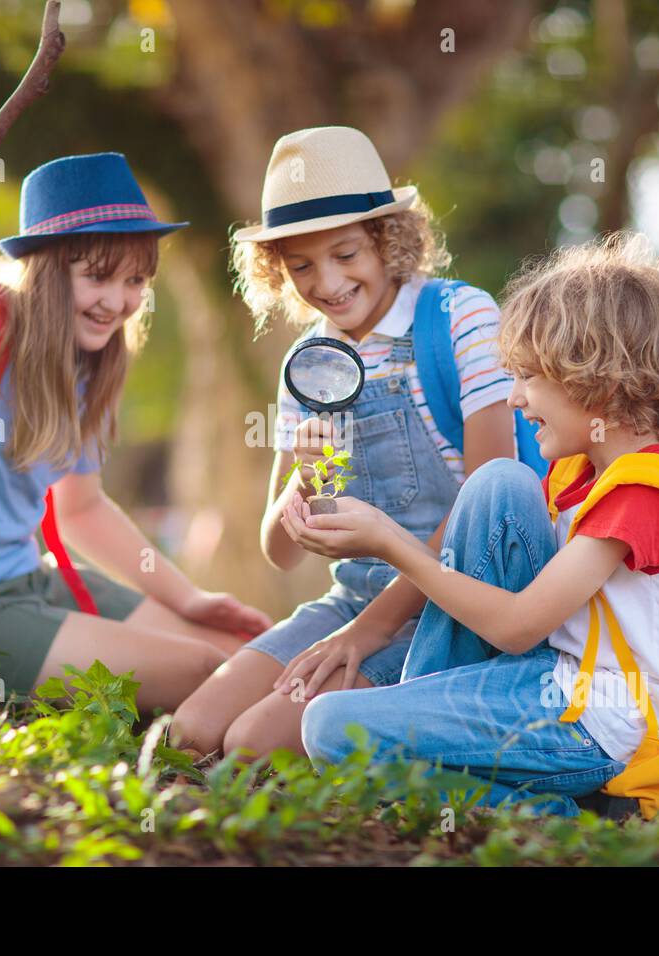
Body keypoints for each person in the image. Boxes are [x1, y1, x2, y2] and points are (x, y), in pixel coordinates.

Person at [289, 233, 659, 817]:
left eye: (528, 377)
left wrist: (390, 543)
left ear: (593, 380)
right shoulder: (588, 475)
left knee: (330, 728)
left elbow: (519, 627)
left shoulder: (645, 492)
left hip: (607, 725)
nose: (515, 399)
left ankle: (567, 821)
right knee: (499, 482)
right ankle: (431, 730)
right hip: (559, 685)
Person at [0, 152, 271, 711]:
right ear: (47, 269)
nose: (118, 302)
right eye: (97, 276)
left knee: (236, 652)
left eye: (135, 280)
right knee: (201, 672)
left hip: (30, 580)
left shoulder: (88, 361)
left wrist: (189, 599)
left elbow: (82, 509)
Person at [171, 126, 519, 759]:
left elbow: (488, 504)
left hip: (446, 604)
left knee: (251, 744)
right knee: (190, 733)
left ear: (388, 240)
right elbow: (277, 550)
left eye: (346, 254)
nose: (327, 282)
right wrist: (303, 483)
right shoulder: (307, 362)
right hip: (350, 597)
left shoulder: (460, 318)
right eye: (301, 265)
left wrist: (371, 630)